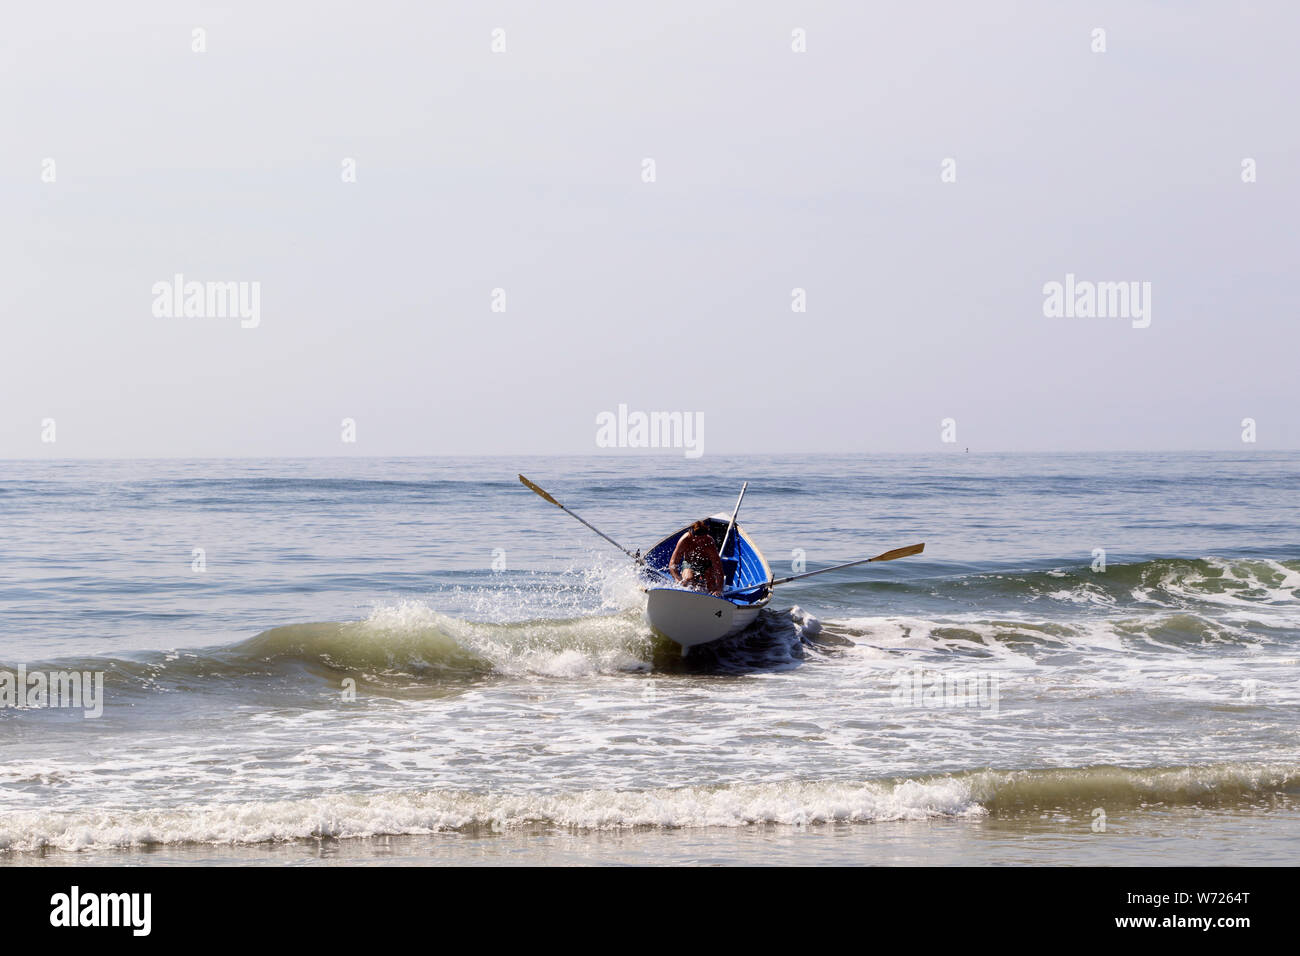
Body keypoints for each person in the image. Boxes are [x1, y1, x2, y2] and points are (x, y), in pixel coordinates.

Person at [668, 520, 723, 596]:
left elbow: (718, 567)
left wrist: (719, 588)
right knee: (688, 580)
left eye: (703, 538)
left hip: (707, 564)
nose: (702, 541)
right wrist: (677, 579)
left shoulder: (709, 542)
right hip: (689, 563)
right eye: (699, 538)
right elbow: (673, 563)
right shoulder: (685, 540)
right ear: (692, 535)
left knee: (711, 587)